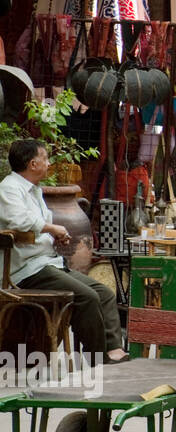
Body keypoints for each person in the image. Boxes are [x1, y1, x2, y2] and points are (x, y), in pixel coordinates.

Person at [0, 140, 127, 363]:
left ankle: (114, 350)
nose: (49, 163)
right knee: (87, 297)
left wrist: (54, 234)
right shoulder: (9, 188)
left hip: (48, 263)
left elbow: (38, 226)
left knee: (105, 293)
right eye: (45, 158)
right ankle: (99, 359)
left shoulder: (34, 190)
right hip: (27, 269)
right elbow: (18, 220)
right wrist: (51, 228)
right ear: (33, 163)